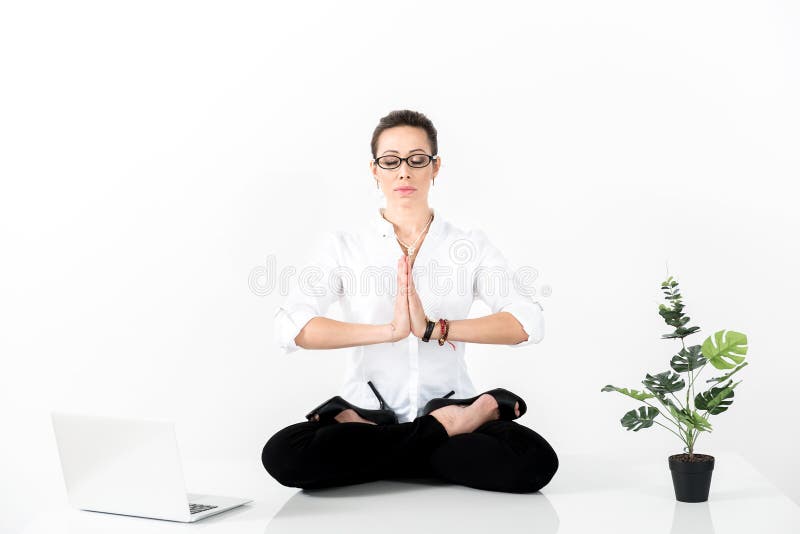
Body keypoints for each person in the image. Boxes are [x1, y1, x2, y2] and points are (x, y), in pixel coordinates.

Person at [262, 109, 558, 493]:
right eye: (391, 161)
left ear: (435, 167)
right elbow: (292, 327)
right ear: (375, 170)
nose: (404, 172)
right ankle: (443, 432)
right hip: (374, 415)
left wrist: (433, 329)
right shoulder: (344, 246)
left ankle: (392, 449)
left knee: (534, 462)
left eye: (417, 160)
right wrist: (389, 331)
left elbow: (527, 322)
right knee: (283, 455)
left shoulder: (468, 244)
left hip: (425, 411)